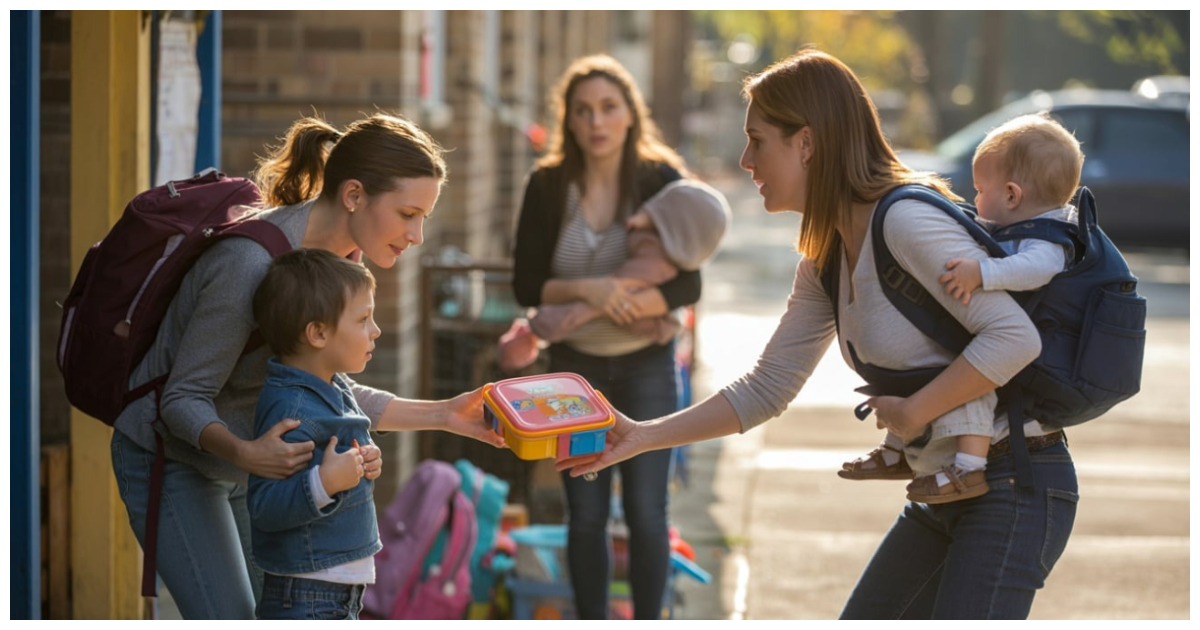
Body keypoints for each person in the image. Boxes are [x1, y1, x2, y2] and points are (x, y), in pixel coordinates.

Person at [559, 48, 1078, 619]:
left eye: (758, 140)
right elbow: (767, 388)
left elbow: (1013, 339)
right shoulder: (827, 254)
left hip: (1012, 482)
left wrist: (915, 411)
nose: (745, 159)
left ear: (805, 143)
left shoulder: (903, 219)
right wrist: (642, 436)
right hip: (945, 483)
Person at [111, 113, 503, 619]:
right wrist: (247, 453)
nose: (418, 235)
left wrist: (446, 414)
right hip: (173, 457)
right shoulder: (249, 264)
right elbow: (181, 398)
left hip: (253, 461)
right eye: (408, 213)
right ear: (355, 195)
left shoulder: (343, 264)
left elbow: (325, 387)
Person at [510, 54, 702, 620]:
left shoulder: (661, 181)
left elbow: (688, 281)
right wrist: (594, 293)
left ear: (629, 115)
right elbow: (526, 282)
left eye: (608, 108)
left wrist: (640, 301)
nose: (596, 121)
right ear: (567, 120)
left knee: (647, 511)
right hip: (574, 374)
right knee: (586, 514)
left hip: (647, 368)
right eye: (583, 110)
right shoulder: (547, 185)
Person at [841, 112, 1083, 504]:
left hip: (1022, 354)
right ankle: (897, 449)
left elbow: (1038, 269)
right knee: (931, 359)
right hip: (1001, 331)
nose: (975, 200)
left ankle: (968, 469)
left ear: (1011, 195)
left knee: (973, 382)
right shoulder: (1019, 222)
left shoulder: (1050, 236)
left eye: (979, 190)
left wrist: (982, 273)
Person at [247, 248, 384, 619]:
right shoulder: (290, 409)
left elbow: (344, 450)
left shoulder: (333, 387)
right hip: (307, 597)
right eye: (363, 319)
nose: (376, 330)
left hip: (332, 593)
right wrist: (324, 482)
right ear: (318, 333)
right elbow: (264, 505)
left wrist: (367, 459)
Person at [529, 179, 730, 345]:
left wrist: (546, 323)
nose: (597, 127)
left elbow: (691, 286)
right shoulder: (548, 183)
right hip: (572, 353)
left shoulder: (655, 258)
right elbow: (526, 286)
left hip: (645, 358)